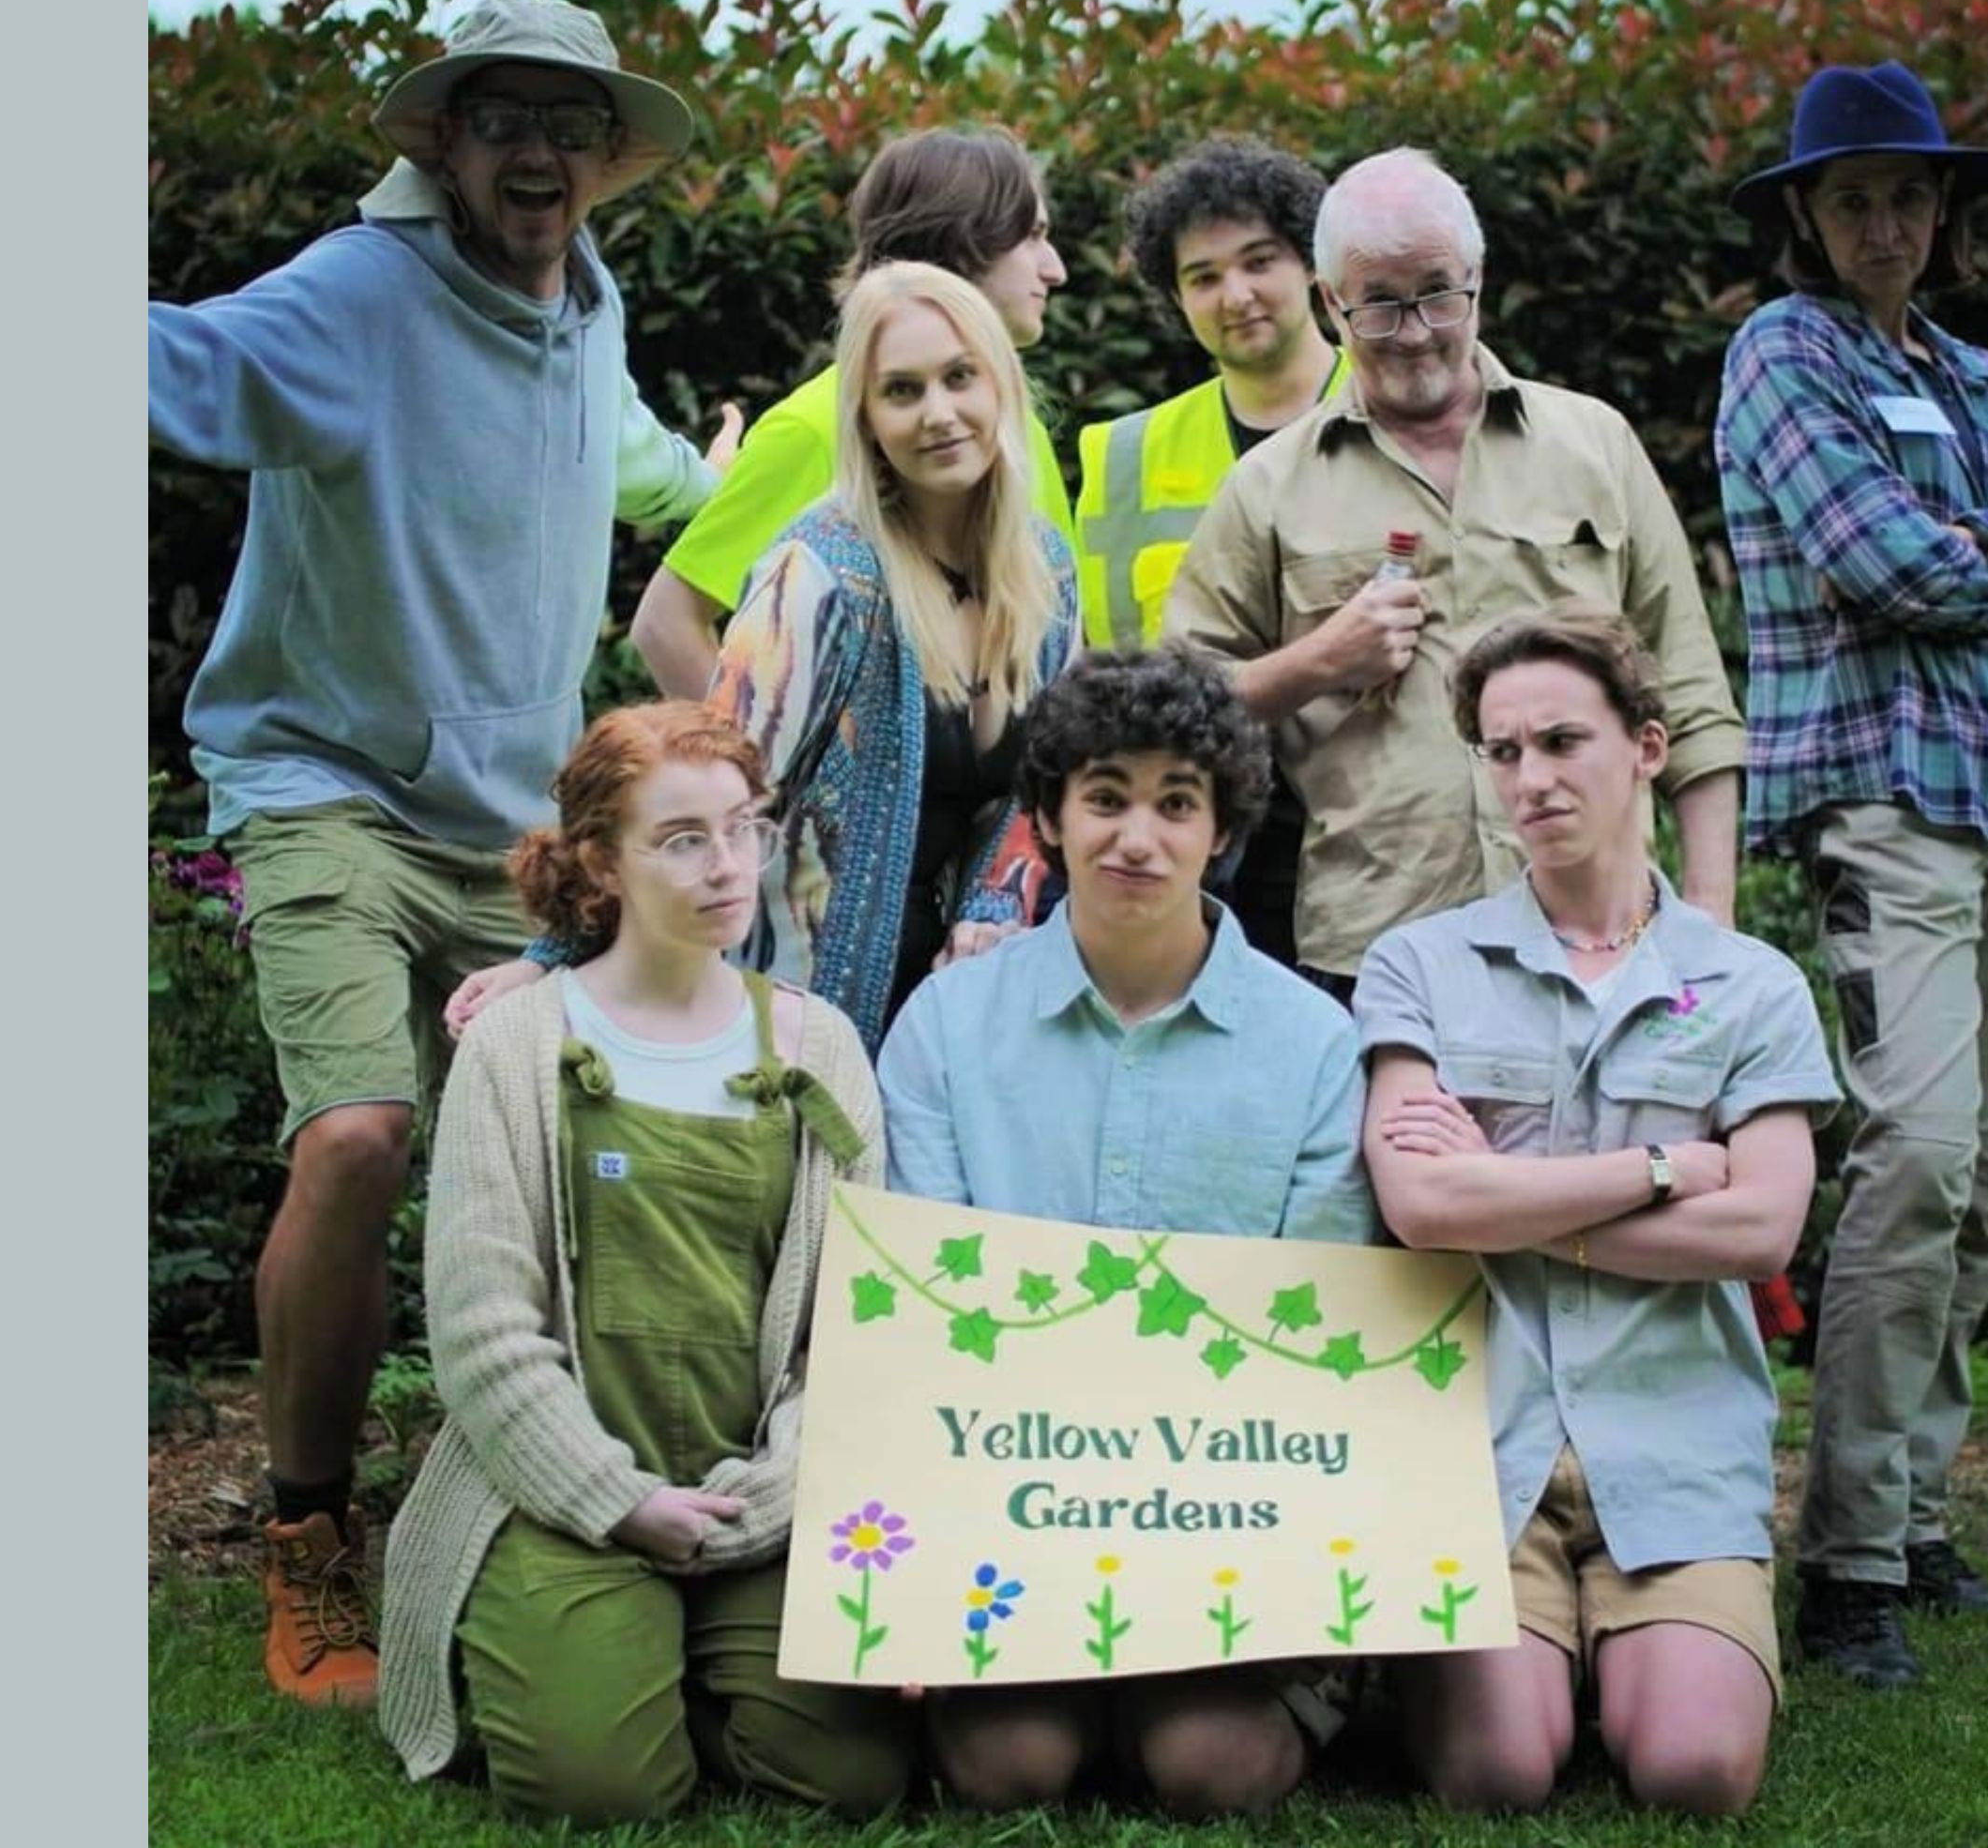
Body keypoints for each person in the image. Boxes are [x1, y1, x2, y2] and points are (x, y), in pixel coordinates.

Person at [144, 0, 739, 1704]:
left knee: (581, 1145)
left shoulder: (592, 318)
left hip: (515, 827)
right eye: (501, 120)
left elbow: (663, 483)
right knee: (355, 1137)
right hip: (318, 780)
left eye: (567, 121)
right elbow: (178, 362)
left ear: (604, 158)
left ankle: (558, 1499)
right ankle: (305, 1537)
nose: (537, 151)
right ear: (447, 147)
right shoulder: (357, 297)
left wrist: (814, 512)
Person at [1715, 60, 1988, 1689]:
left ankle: (1914, 1516)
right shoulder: (1781, 354)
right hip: (1893, 798)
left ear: (1942, 212)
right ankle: (1844, 1573)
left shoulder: (1973, 373)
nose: (1887, 222)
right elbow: (1879, 558)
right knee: (1918, 1155)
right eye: (1853, 199)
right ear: (1804, 221)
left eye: (1911, 195)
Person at [373, 703, 913, 1823]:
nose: (727, 867)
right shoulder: (517, 1048)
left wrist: (770, 1500)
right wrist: (617, 1503)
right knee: (598, 1786)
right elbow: (481, 1331)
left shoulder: (821, 1047)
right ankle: (576, 1648)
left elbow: (854, 1330)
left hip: (755, 1492)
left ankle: (670, 1662)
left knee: (851, 1777)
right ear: (599, 865)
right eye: (681, 840)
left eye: (743, 827)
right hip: (563, 1491)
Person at [874, 642, 1376, 1817]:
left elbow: (1314, 1326)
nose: (1136, 838)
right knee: (1012, 1770)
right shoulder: (947, 1026)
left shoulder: (1312, 1046)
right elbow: (921, 1320)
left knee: (1213, 1770)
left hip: (1227, 1502)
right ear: (1047, 818)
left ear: (1223, 827)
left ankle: (1216, 1686)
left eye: (1175, 804)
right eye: (1103, 798)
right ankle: (1064, 1686)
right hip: (1006, 1493)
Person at [1351, 604, 1834, 1817]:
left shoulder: (1751, 987)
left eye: (1563, 741)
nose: (1531, 778)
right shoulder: (1420, 964)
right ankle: (1525, 1654)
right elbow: (1419, 1203)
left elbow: (1762, 1232)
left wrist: (1505, 1203)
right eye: (1503, 752)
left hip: (1674, 1448)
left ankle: (1653, 1638)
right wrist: (1663, 1171)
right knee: (1496, 1772)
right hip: (1480, 1447)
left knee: (1693, 1774)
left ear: (1649, 750)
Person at [1163, 149, 1743, 999]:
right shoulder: (1269, 487)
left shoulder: (1597, 445)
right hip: (1380, 955)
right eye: (1381, 306)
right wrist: (1321, 661)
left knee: (1626, 1144)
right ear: (1332, 303)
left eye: (1439, 293)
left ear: (1478, 276)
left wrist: (1710, 910)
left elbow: (1690, 693)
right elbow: (1183, 706)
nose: (1416, 332)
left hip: (1610, 938)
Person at [457, 262, 1081, 1046]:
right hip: (794, 1010)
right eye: (902, 391)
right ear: (865, 420)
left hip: (961, 1013)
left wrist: (995, 910)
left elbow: (1042, 782)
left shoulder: (1047, 569)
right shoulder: (818, 574)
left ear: (1004, 389)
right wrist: (552, 957)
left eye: (961, 378)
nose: (939, 414)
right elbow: (707, 794)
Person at [630, 127, 1077, 699]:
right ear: (965, 241)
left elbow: (1054, 639)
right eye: (1032, 236)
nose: (1055, 269)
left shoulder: (1018, 421)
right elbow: (666, 626)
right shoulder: (816, 424)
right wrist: (755, 779)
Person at [1076, 138, 1347, 970]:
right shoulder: (1121, 456)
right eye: (1202, 277)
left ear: (1311, 266)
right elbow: (1102, 675)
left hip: (1371, 843)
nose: (1236, 294)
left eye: (1258, 260)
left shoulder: (1405, 419)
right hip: (1191, 853)